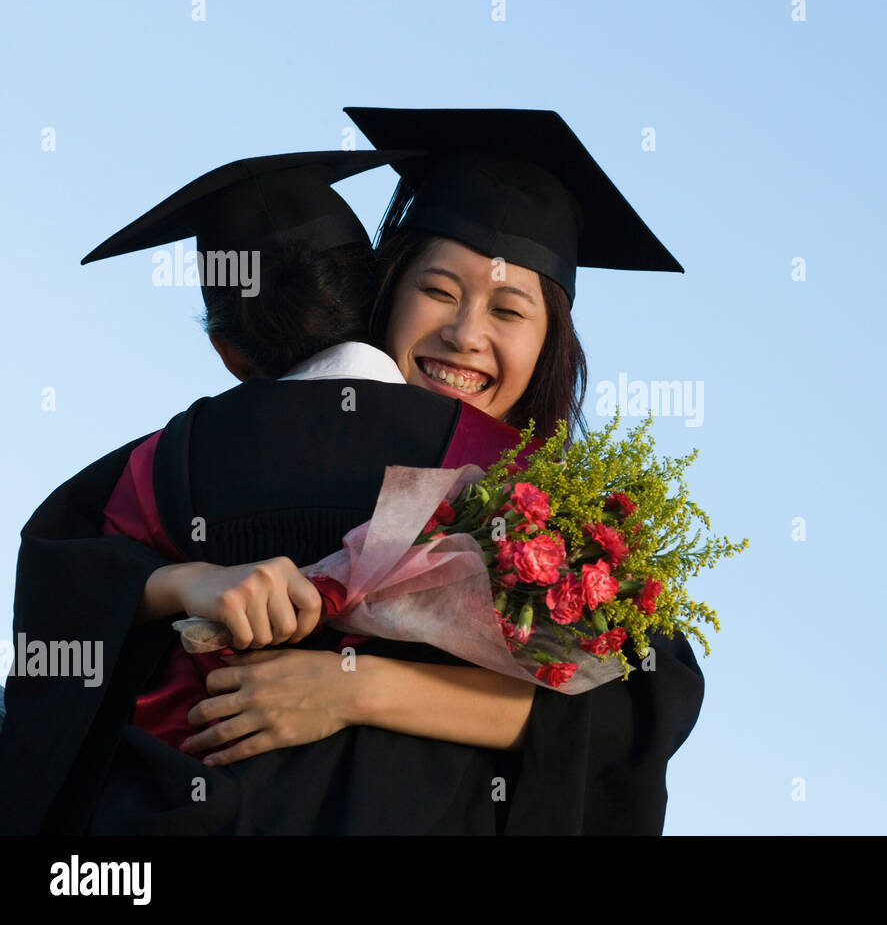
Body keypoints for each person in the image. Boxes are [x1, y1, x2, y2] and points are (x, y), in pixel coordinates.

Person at [0, 109, 705, 834]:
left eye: (509, 310)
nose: (466, 334)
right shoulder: (202, 455)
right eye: (438, 291)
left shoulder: (561, 516)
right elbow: (72, 575)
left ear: (551, 343)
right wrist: (186, 582)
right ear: (383, 294)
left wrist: (354, 690)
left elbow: (624, 714)